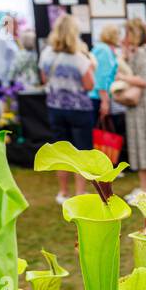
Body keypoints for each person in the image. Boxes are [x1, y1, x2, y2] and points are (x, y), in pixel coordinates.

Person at [39, 14, 99, 202]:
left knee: (61, 150)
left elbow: (43, 79)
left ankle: (63, 192)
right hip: (79, 109)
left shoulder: (46, 54)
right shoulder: (79, 58)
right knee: (81, 151)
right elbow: (89, 85)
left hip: (55, 106)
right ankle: (79, 192)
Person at [119, 17, 146, 202]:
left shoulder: (143, 52)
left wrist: (122, 77)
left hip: (141, 107)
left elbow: (144, 80)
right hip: (145, 105)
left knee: (144, 145)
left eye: (127, 32)